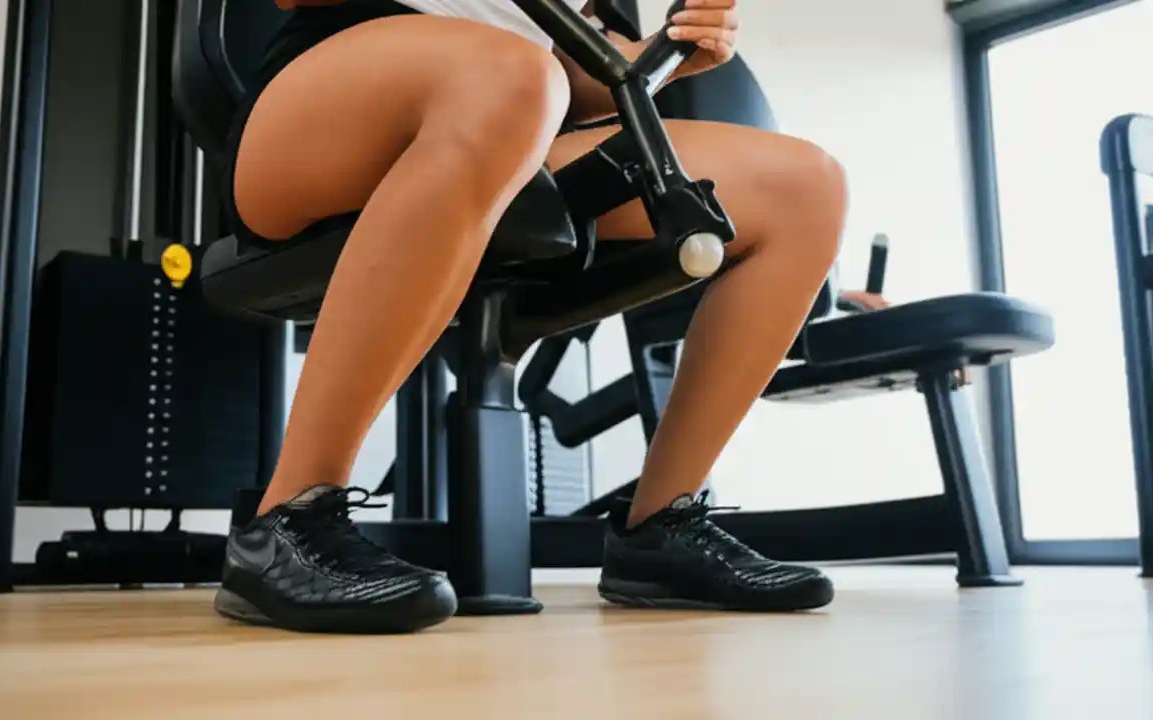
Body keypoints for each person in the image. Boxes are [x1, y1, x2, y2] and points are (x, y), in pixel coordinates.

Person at [215, 0, 848, 633]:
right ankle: (287, 520)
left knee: (806, 186)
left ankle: (659, 530)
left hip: (510, 114)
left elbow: (579, 77)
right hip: (313, 111)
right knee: (513, 74)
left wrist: (665, 55)